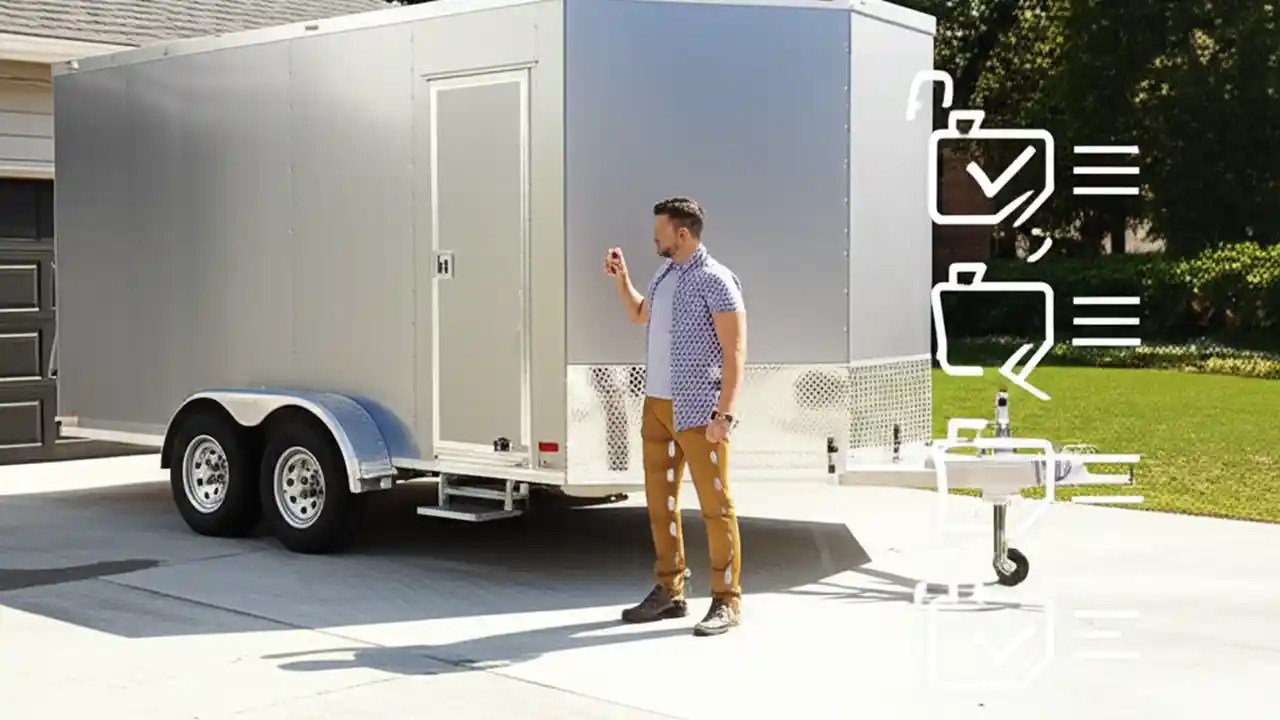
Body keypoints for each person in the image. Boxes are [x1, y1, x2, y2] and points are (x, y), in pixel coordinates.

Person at [603, 197, 747, 637]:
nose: (654, 239)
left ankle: (727, 599)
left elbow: (735, 350)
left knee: (715, 507)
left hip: (699, 409)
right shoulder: (664, 275)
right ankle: (669, 591)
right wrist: (622, 279)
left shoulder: (717, 281)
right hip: (658, 406)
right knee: (660, 506)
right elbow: (639, 315)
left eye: (660, 232)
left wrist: (724, 413)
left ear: (683, 234)